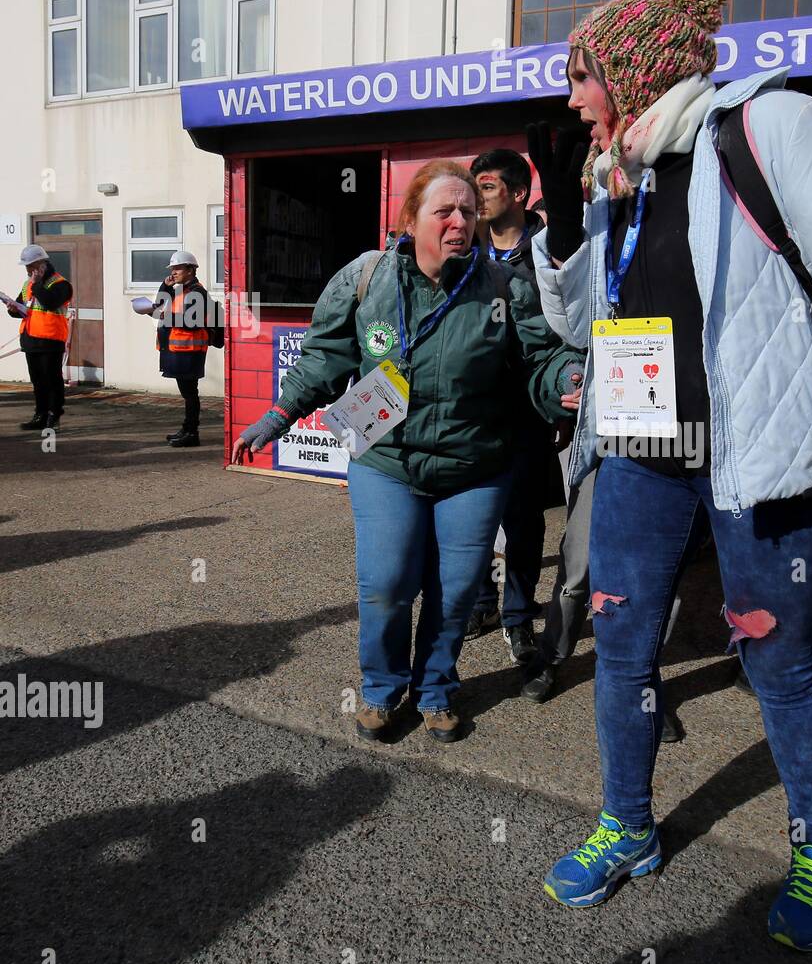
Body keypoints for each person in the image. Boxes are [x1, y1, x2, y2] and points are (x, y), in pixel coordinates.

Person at [527, 0, 812, 951]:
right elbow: (582, 320)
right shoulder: (615, 169)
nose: (571, 97)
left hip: (762, 453)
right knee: (621, 646)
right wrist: (572, 222)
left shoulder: (771, 129)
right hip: (640, 450)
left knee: (779, 662)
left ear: (630, 71)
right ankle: (627, 826)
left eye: (581, 75)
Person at [232, 160, 583, 744]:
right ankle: (382, 689)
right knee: (387, 580)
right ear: (410, 217)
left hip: (473, 466)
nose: (458, 222)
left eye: (468, 211)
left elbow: (541, 359)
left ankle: (437, 689)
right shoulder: (366, 280)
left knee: (457, 586)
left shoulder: (504, 286)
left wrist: (566, 380)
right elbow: (324, 359)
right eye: (444, 210)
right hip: (384, 460)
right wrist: (277, 416)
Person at [463, 148, 564, 664]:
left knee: (523, 520)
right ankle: (481, 603)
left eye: (487, 186)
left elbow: (566, 331)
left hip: (527, 410)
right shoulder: (462, 252)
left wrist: (560, 393)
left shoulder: (550, 252)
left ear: (519, 193)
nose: (476, 197)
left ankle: (519, 619)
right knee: (472, 514)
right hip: (472, 411)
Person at [152, 250, 219, 448]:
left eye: (178, 268)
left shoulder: (197, 292)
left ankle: (192, 433)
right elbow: (159, 304)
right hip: (179, 351)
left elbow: (193, 322)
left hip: (190, 351)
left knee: (190, 393)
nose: (174, 272)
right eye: (172, 268)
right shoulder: (180, 290)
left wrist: (164, 318)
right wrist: (165, 285)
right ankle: (187, 429)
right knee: (187, 393)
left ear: (191, 270)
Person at [9, 245, 72, 432]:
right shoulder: (28, 284)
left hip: (51, 340)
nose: (28, 270)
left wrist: (36, 285)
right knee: (38, 381)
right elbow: (23, 307)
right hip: (31, 340)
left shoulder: (61, 284)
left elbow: (51, 303)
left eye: (31, 265)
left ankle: (54, 416)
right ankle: (40, 414)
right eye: (27, 266)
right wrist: (13, 309)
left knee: (52, 380)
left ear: (42, 264)